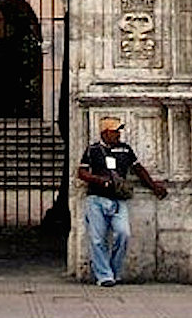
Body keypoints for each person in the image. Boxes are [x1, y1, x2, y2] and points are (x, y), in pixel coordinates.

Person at [77, 115, 167, 286]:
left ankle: (114, 270)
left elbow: (138, 169)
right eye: (115, 131)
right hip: (96, 198)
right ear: (105, 133)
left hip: (118, 199)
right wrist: (99, 180)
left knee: (123, 233)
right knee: (97, 239)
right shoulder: (93, 150)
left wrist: (153, 186)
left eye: (119, 131)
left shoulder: (125, 149)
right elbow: (81, 172)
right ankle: (104, 276)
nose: (118, 135)